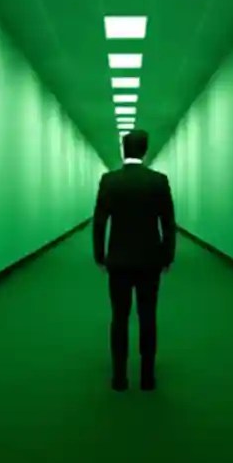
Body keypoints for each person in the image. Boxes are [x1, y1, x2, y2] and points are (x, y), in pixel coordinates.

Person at [92, 129, 176, 392]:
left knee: (119, 316)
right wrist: (167, 255)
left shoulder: (109, 181)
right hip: (150, 261)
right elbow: (168, 224)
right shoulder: (159, 181)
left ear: (123, 150)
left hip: (118, 261)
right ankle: (148, 378)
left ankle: (119, 378)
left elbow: (99, 222)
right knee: (148, 316)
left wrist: (100, 255)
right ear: (145, 150)